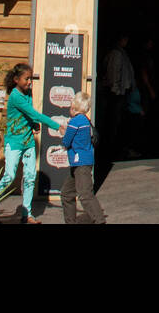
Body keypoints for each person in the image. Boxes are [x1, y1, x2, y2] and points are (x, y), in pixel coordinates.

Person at [0, 63, 63, 223]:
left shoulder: (28, 93)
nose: (29, 82)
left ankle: (27, 214)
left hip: (28, 142)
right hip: (14, 142)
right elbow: (33, 112)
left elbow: (29, 114)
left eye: (30, 78)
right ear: (16, 79)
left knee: (30, 176)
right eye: (26, 79)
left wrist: (33, 124)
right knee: (10, 175)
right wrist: (57, 126)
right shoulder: (15, 96)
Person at [60, 91, 106, 224]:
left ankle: (99, 220)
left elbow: (66, 142)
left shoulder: (75, 121)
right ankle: (71, 221)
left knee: (85, 194)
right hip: (83, 162)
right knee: (67, 193)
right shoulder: (86, 120)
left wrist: (63, 132)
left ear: (74, 106)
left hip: (79, 163)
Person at [101, 35, 135, 159]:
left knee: (117, 121)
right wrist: (115, 90)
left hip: (119, 92)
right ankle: (111, 150)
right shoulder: (117, 54)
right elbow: (114, 72)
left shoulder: (121, 53)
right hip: (116, 93)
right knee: (114, 121)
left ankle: (114, 148)